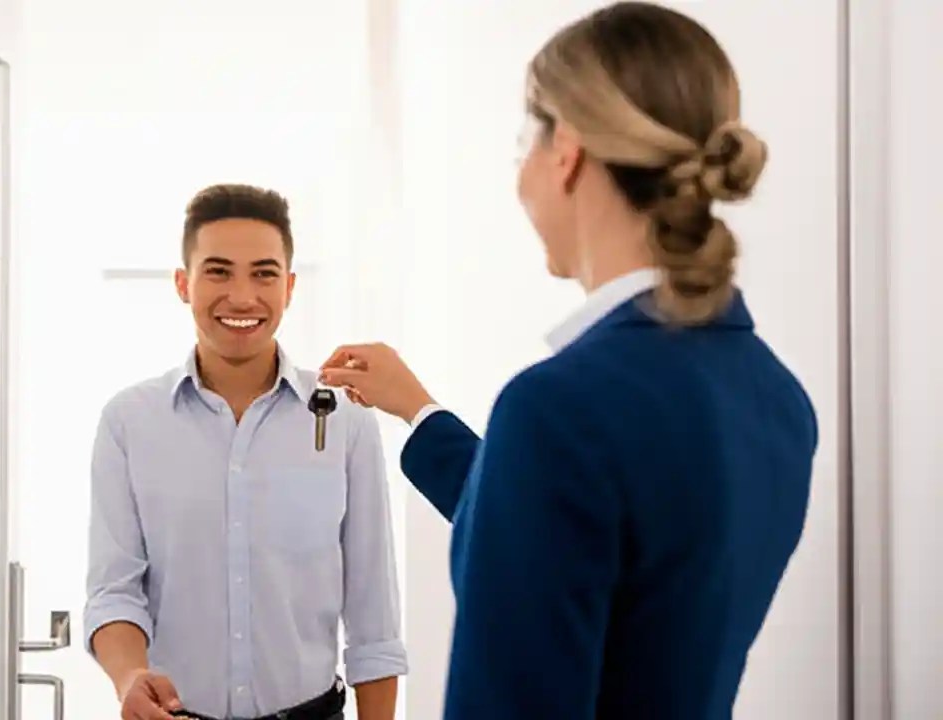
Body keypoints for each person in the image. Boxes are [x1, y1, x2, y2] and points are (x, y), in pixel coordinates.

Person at [318, 3, 818, 719]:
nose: (520, 171)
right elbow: (573, 549)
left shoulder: (559, 411)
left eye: (525, 139)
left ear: (567, 150)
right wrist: (419, 411)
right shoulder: (774, 396)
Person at [84, 183, 406, 720]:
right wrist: (129, 678)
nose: (241, 296)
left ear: (290, 287)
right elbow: (113, 591)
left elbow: (373, 618)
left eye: (263, 273)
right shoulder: (128, 421)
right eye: (217, 271)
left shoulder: (345, 420)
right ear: (183, 284)